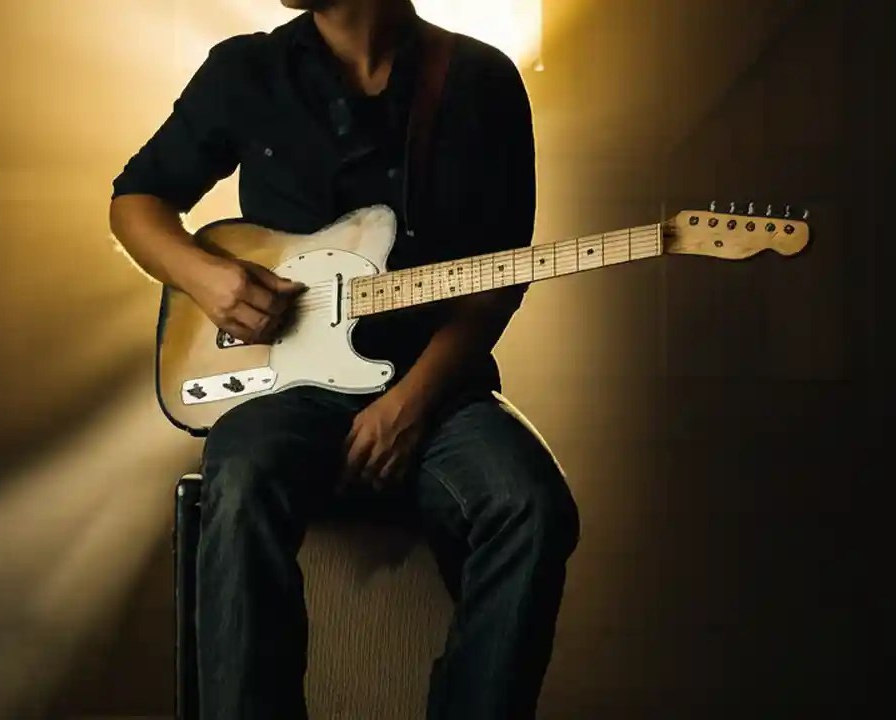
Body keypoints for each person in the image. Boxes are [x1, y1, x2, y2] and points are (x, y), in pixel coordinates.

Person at [108, 1, 579, 717]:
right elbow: (135, 201)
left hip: (436, 384)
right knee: (238, 486)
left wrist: (410, 404)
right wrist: (206, 277)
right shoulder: (248, 68)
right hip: (283, 387)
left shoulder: (480, 79)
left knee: (531, 506)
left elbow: (496, 281)